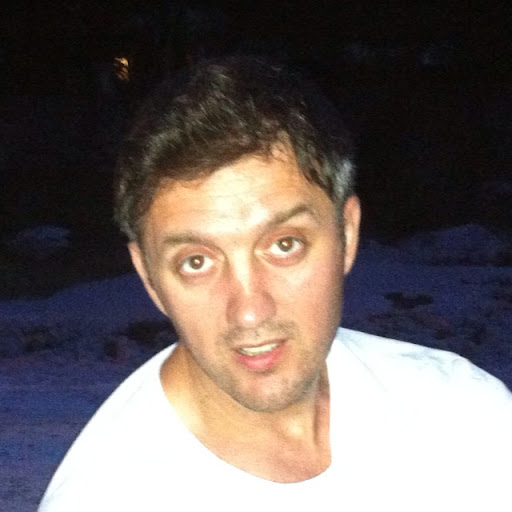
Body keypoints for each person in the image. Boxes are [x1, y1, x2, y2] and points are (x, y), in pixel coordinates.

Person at [39, 56, 512, 512]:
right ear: (148, 276)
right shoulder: (106, 497)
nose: (250, 311)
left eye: (284, 245)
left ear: (346, 234)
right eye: (197, 261)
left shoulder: (464, 418)